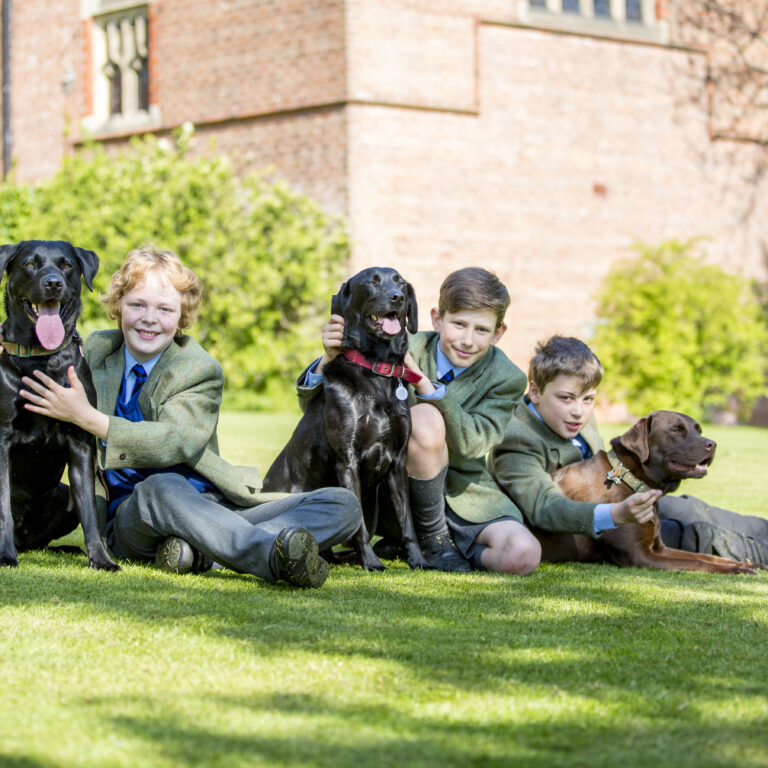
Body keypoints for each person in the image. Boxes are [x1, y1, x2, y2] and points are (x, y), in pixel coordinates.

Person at [19, 245, 361, 588]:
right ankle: (268, 553)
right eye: (137, 305)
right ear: (118, 305)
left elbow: (173, 442)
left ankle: (204, 547)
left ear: (181, 315)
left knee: (342, 504)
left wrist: (87, 417)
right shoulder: (93, 351)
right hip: (130, 516)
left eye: (164, 309)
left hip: (212, 506)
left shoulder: (198, 369)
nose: (149, 318)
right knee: (162, 486)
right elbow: (34, 356)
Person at [300, 267, 541, 574]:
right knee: (424, 419)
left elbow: (473, 444)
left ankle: (441, 546)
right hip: (394, 497)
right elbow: (323, 414)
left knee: (523, 554)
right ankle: (432, 540)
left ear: (498, 333)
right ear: (437, 319)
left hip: (464, 499)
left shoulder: (507, 377)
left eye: (481, 330)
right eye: (459, 324)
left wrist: (423, 383)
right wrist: (328, 358)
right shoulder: (394, 341)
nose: (467, 340)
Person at [489, 335, 768, 566]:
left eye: (588, 399)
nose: (579, 411)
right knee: (697, 534)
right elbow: (545, 508)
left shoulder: (573, 417)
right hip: (593, 523)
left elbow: (603, 468)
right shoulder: (516, 441)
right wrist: (615, 513)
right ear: (535, 392)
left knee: (693, 508)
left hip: (622, 495)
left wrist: (632, 484)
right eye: (567, 398)